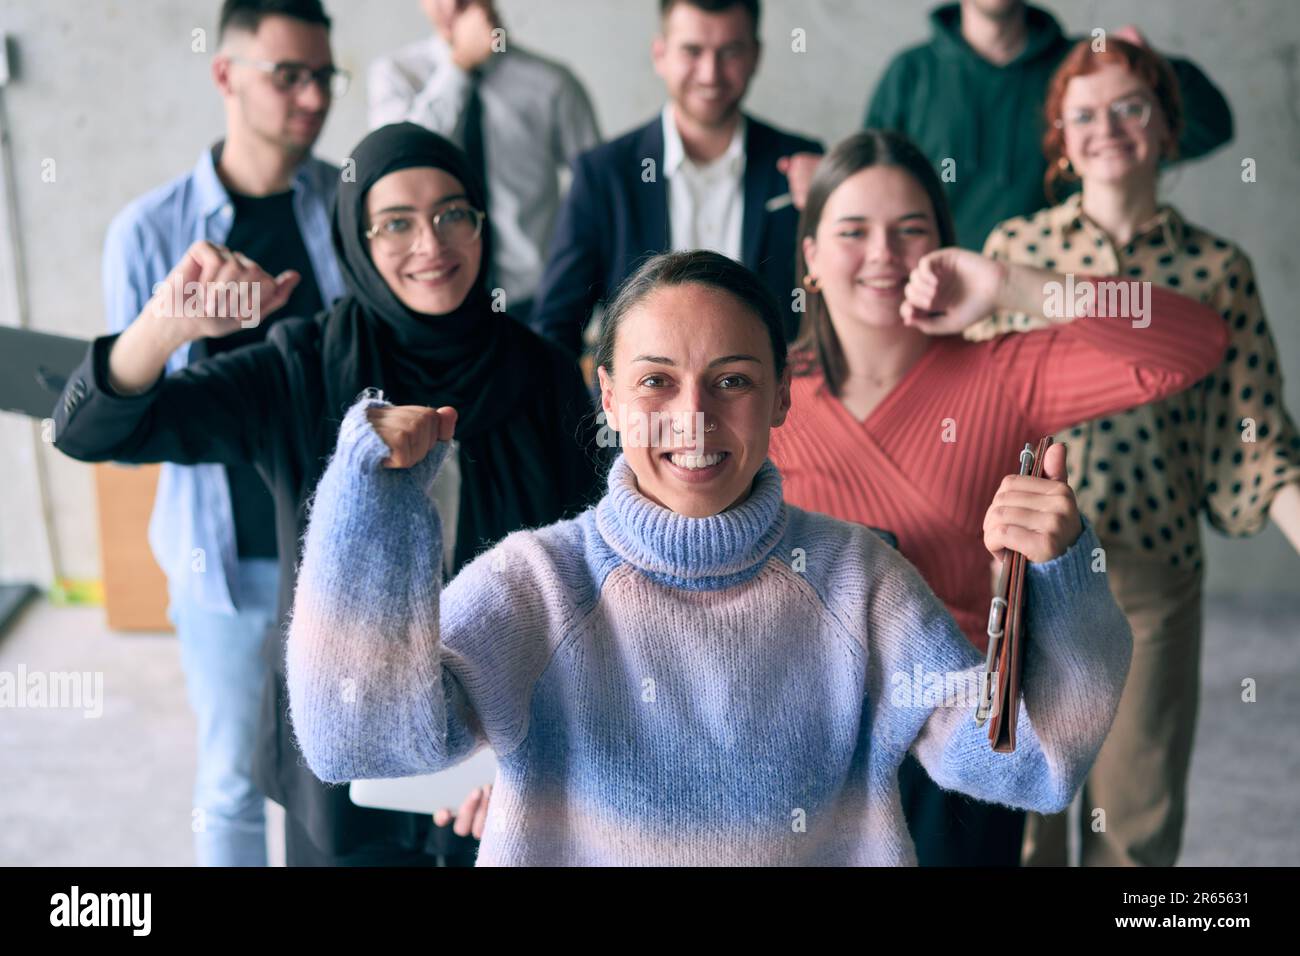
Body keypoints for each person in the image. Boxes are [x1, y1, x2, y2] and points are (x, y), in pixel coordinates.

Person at [287, 249, 1134, 866]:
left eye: (731, 380)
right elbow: (354, 739)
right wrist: (372, 504)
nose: (694, 418)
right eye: (656, 381)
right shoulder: (537, 584)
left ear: (779, 397)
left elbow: (1028, 763)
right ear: (609, 398)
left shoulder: (857, 582)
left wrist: (1063, 572)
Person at [52, 124, 603, 866]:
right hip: (344, 760)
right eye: (396, 223)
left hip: (498, 758)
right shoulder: (304, 366)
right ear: (356, 239)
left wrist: (539, 749)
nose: (431, 244)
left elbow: (585, 573)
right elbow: (88, 431)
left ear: (482, 223)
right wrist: (165, 326)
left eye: (453, 213)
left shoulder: (540, 373)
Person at [765, 128, 1233, 865]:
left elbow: (1196, 339)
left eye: (910, 230)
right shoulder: (762, 393)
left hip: (959, 749)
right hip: (795, 741)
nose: (884, 253)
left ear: (944, 248)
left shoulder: (1001, 374)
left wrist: (1014, 285)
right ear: (812, 259)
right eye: (853, 231)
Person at [964, 38, 1300, 866]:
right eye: (1083, 114)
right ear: (1060, 140)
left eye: (1129, 107)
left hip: (1150, 578)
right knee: (1024, 827)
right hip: (1028, 580)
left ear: (1164, 128)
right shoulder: (1012, 254)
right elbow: (966, 419)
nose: (1105, 128)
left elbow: (1255, 442)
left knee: (1137, 832)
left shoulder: (1217, 269)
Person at [99, 0, 346, 867]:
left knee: (339, 778)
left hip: (341, 549)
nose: (312, 97)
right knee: (235, 781)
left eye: (323, 76)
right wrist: (181, 324)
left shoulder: (349, 210)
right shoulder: (150, 230)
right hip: (224, 559)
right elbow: (124, 413)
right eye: (289, 75)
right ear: (224, 75)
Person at [780, 1, 1232, 250]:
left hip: (1066, 300)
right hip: (938, 311)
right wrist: (831, 185)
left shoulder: (1084, 73)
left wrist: (1147, 67)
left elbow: (1209, 124)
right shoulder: (910, 75)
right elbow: (875, 193)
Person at [529, 0, 821, 358]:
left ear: (755, 56)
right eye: (692, 51)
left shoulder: (802, 161)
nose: (710, 74)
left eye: (730, 51)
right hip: (637, 410)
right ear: (660, 54)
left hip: (776, 409)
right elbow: (555, 328)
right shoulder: (604, 173)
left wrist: (838, 200)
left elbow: (834, 308)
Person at [369, 0, 601, 316]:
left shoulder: (552, 85)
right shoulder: (395, 76)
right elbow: (397, 162)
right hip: (432, 294)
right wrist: (459, 66)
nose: (450, 4)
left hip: (535, 302)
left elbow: (598, 193)